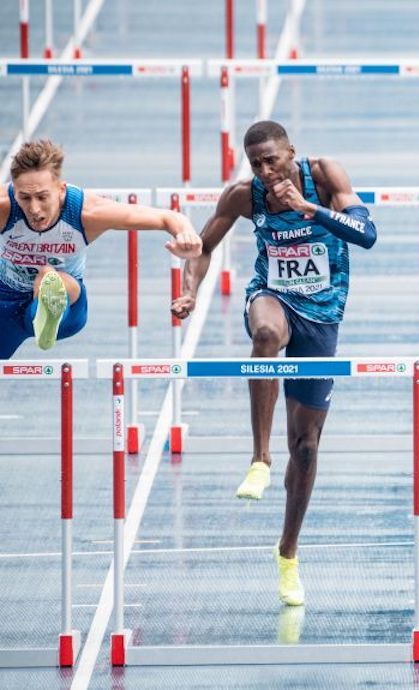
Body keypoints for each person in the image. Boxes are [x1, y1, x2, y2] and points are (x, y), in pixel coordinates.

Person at [171, 120, 378, 606]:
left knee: (305, 447)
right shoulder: (246, 196)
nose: (265, 171)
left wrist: (309, 209)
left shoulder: (325, 176)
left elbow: (367, 234)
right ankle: (259, 458)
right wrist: (188, 291)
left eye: (272, 160)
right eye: (256, 164)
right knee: (265, 334)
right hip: (273, 296)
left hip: (323, 313)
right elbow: (202, 248)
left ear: (291, 153)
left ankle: (288, 551)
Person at [1, 139, 201, 358]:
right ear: (14, 190)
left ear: (61, 189)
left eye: (42, 197)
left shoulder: (87, 212)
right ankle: (42, 314)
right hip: (6, 302)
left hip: (69, 306)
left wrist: (186, 234)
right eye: (25, 197)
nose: (34, 208)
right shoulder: (5, 207)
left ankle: (49, 310)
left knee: (50, 276)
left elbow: (168, 217)